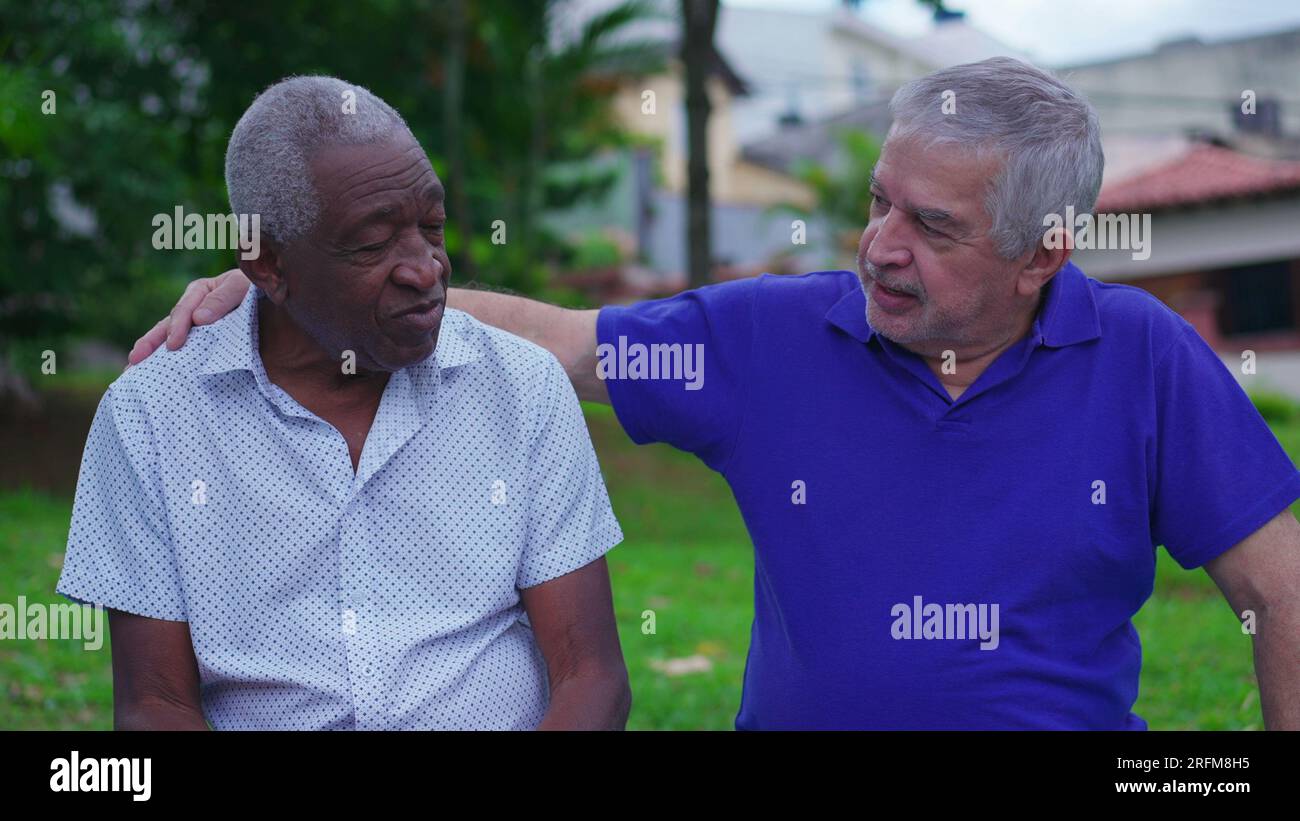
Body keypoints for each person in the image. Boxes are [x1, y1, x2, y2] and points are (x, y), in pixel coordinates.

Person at [134, 59, 1300, 730]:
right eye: (880, 201)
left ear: (1043, 252)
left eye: (930, 226)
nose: (879, 245)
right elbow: (564, 341)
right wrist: (281, 292)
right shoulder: (776, 338)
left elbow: (1279, 589)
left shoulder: (1142, 355)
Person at [61, 76, 629, 730]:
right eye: (372, 243)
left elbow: (591, 677)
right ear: (267, 263)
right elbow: (154, 706)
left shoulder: (521, 386)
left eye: (433, 225)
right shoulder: (152, 414)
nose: (426, 267)